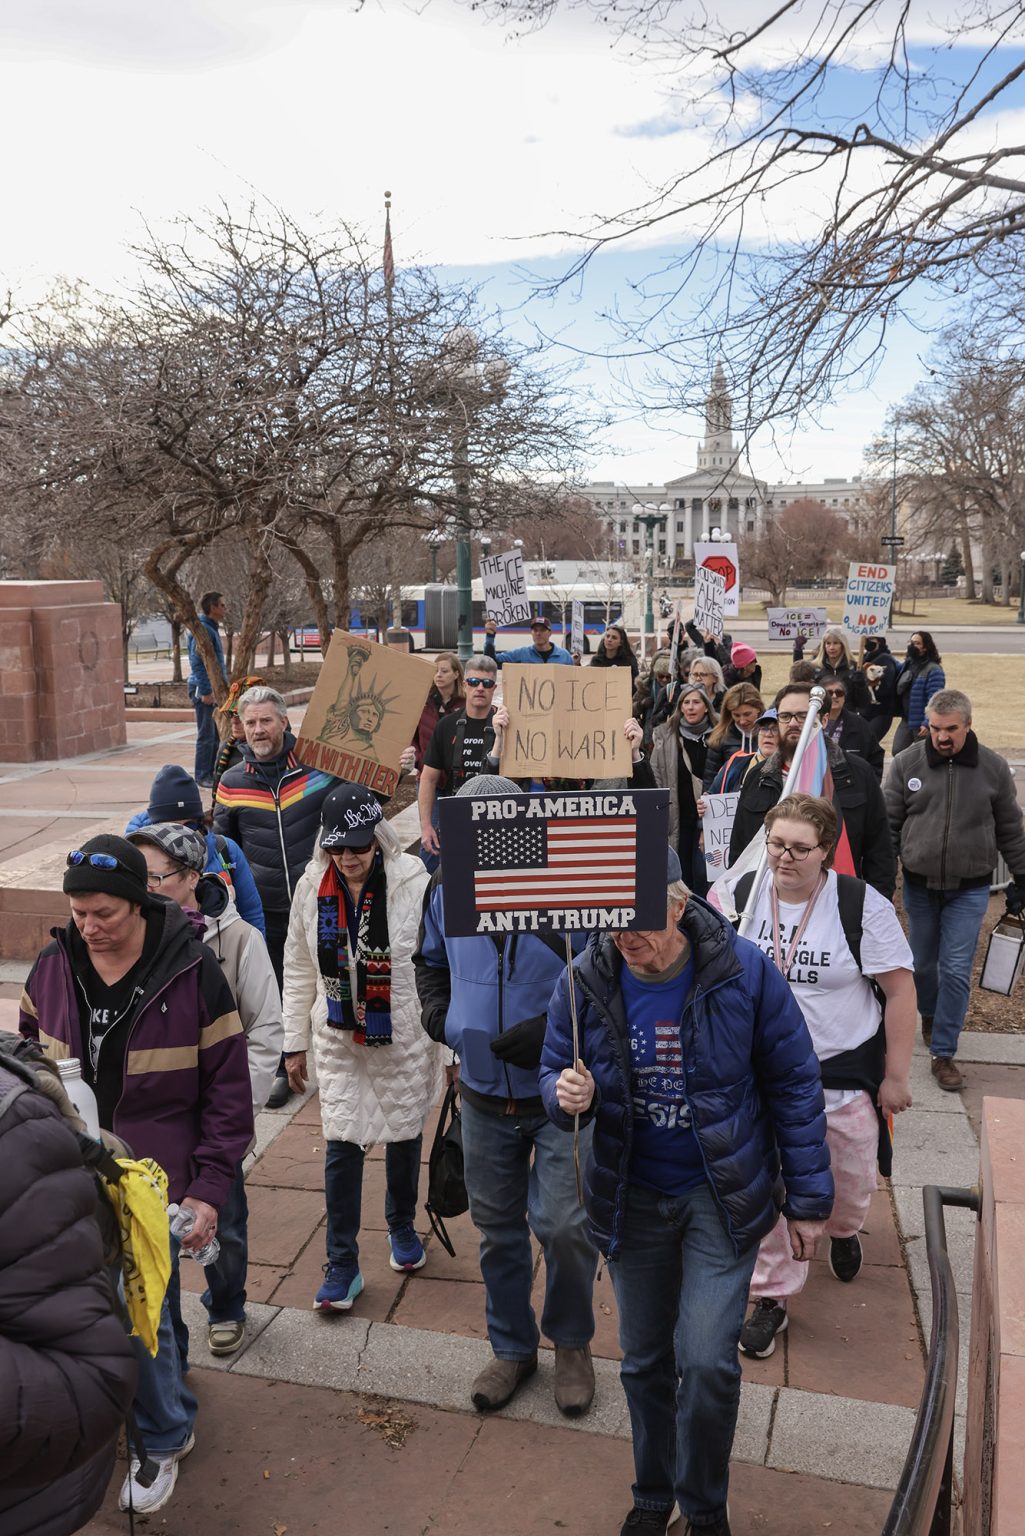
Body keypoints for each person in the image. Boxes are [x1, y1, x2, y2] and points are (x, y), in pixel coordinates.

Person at [540, 847, 833, 1536]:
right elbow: (554, 1068)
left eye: (639, 916)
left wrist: (808, 1201)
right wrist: (563, 1093)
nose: (624, 933)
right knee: (644, 1361)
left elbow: (794, 1083)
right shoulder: (583, 977)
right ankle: (653, 1493)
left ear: (679, 905)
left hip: (718, 1195)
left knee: (704, 1362)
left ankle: (703, 1506)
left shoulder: (742, 971)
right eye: (612, 917)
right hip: (631, 1193)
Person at [19, 833, 253, 1517]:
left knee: (138, 1306)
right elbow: (28, 1057)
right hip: (72, 1172)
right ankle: (167, 1392)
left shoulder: (193, 971)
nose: (89, 927)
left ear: (139, 904)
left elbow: (229, 1095)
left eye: (104, 914)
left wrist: (209, 1190)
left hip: (158, 1180)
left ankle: (165, 1436)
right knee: (138, 1306)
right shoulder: (52, 965)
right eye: (78, 913)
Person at [414, 775, 599, 1419]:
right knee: (497, 1231)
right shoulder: (445, 888)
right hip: (482, 1095)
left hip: (560, 1094)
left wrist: (554, 1032)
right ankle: (512, 1347)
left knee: (566, 1225)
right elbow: (429, 964)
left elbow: (608, 977)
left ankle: (571, 1342)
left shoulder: (567, 888)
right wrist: (443, 1021)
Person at [735, 794, 915, 1359]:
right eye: (776, 845)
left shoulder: (859, 905)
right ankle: (772, 1297)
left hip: (838, 1071)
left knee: (850, 1180)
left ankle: (843, 1228)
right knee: (769, 1181)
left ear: (827, 850)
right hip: (762, 1073)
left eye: (800, 848)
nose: (784, 858)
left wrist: (895, 1076)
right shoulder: (738, 897)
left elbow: (901, 992)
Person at [281, 786, 442, 1309]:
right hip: (338, 1036)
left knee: (404, 1131)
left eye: (358, 846)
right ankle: (342, 1262)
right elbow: (298, 965)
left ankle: (402, 1225)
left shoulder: (414, 883)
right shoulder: (311, 887)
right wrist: (292, 1042)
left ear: (378, 839)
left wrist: (452, 1045)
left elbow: (440, 962)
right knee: (341, 1142)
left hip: (403, 1032)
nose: (347, 857)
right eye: (337, 847)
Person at [128, 822, 282, 1358]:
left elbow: (265, 1030)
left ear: (193, 876)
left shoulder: (238, 940)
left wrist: (239, 1113)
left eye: (157, 878)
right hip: (154, 1121)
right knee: (152, 1233)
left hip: (216, 1117)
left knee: (225, 1222)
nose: (145, 889)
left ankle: (227, 1306)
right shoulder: (130, 941)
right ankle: (170, 1337)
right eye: (139, 878)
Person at [0, 1034, 138, 1536]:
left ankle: (168, 1432)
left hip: (27, 1501)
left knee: (156, 1328)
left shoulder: (13, 1127)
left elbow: (94, 1378)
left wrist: (208, 1179)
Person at [884, 689, 1025, 1090]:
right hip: (919, 886)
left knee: (957, 968)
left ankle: (943, 1052)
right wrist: (882, 881)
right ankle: (929, 1013)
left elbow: (1010, 828)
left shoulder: (993, 768)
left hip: (970, 888)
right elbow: (889, 825)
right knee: (921, 965)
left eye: (951, 729)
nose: (942, 737)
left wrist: (1022, 876)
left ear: (968, 725)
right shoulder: (906, 763)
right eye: (935, 728)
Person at [214, 684, 338, 1106]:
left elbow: (362, 804)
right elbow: (224, 848)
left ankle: (341, 1060)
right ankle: (285, 1066)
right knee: (277, 990)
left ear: (285, 721)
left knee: (333, 980)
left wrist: (396, 770)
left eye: (266, 720)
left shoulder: (320, 767)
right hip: (265, 908)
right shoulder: (231, 782)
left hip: (321, 899)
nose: (258, 730)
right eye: (250, 722)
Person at [729, 684, 896, 899]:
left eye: (803, 716)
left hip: (838, 899)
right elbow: (740, 847)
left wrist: (876, 902)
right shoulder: (758, 776)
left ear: (823, 720)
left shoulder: (856, 774)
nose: (793, 723)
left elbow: (879, 851)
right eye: (785, 716)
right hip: (768, 900)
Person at [125, 762, 266, 935]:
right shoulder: (133, 860)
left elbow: (251, 914)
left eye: (189, 825)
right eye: (171, 828)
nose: (181, 836)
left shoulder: (225, 851)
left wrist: (255, 947)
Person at [418, 654, 499, 865]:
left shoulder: (503, 725)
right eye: (473, 682)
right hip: (453, 811)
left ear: (494, 688)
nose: (479, 688)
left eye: (486, 683)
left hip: (494, 816)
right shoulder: (446, 725)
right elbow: (428, 778)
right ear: (464, 685)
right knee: (430, 864)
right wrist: (426, 827)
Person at [650, 682, 718, 895]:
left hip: (709, 818)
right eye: (685, 702)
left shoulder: (718, 735)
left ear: (706, 707)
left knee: (705, 874)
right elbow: (656, 774)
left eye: (696, 702)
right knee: (681, 876)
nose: (690, 707)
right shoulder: (665, 735)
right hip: (677, 818)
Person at [187, 591, 228, 787]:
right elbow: (197, 662)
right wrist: (205, 691)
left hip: (214, 689)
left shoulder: (210, 628)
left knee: (215, 735)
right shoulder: (203, 630)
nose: (225, 609)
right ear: (213, 607)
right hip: (204, 690)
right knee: (207, 735)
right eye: (222, 605)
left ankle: (211, 773)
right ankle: (203, 775)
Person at [212, 674, 268, 797]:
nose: (234, 720)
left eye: (240, 714)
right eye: (231, 714)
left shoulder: (281, 749)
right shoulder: (227, 749)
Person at [820, 675, 885, 781]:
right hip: (818, 783)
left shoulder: (859, 724)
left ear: (844, 697)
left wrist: (871, 784)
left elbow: (875, 756)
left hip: (852, 785)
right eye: (829, 693)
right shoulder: (810, 723)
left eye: (839, 693)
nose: (834, 696)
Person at [701, 682, 764, 791]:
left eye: (747, 714)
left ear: (758, 708)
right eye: (736, 715)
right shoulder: (720, 737)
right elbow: (710, 778)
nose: (742, 721)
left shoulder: (771, 734)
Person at [892, 631, 945, 755]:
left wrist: (927, 722)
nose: (912, 646)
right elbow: (892, 668)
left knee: (925, 756)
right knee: (897, 751)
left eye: (917, 643)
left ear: (925, 647)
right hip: (907, 719)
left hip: (922, 722)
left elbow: (935, 699)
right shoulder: (908, 664)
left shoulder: (934, 670)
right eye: (911, 642)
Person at [708, 707, 779, 795]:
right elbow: (712, 794)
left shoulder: (792, 771)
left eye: (775, 729)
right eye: (763, 728)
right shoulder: (735, 763)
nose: (768, 734)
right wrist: (705, 801)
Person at [413, 652, 465, 771]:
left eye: (444, 671)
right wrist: (419, 759)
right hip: (426, 772)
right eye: (436, 671)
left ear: (456, 674)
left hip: (455, 774)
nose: (438, 675)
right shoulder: (423, 702)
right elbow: (411, 736)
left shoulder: (465, 704)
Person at [809, 626, 869, 712]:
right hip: (821, 715)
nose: (831, 647)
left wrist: (861, 686)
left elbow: (863, 703)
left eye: (836, 643)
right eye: (828, 643)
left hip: (847, 716)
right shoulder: (814, 667)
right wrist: (798, 651)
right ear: (824, 646)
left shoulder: (856, 668)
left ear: (843, 645)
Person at [484, 613, 574, 666]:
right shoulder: (521, 654)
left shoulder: (564, 655)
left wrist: (577, 664)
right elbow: (491, 662)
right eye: (535, 630)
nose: (538, 633)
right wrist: (490, 636)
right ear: (531, 633)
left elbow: (573, 679)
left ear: (550, 633)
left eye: (542, 630)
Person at [859, 636, 900, 742]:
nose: (868, 642)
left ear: (880, 642)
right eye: (867, 639)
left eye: (872, 640)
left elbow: (886, 687)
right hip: (865, 711)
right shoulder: (864, 658)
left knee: (869, 741)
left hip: (881, 712)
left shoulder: (885, 659)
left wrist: (866, 683)